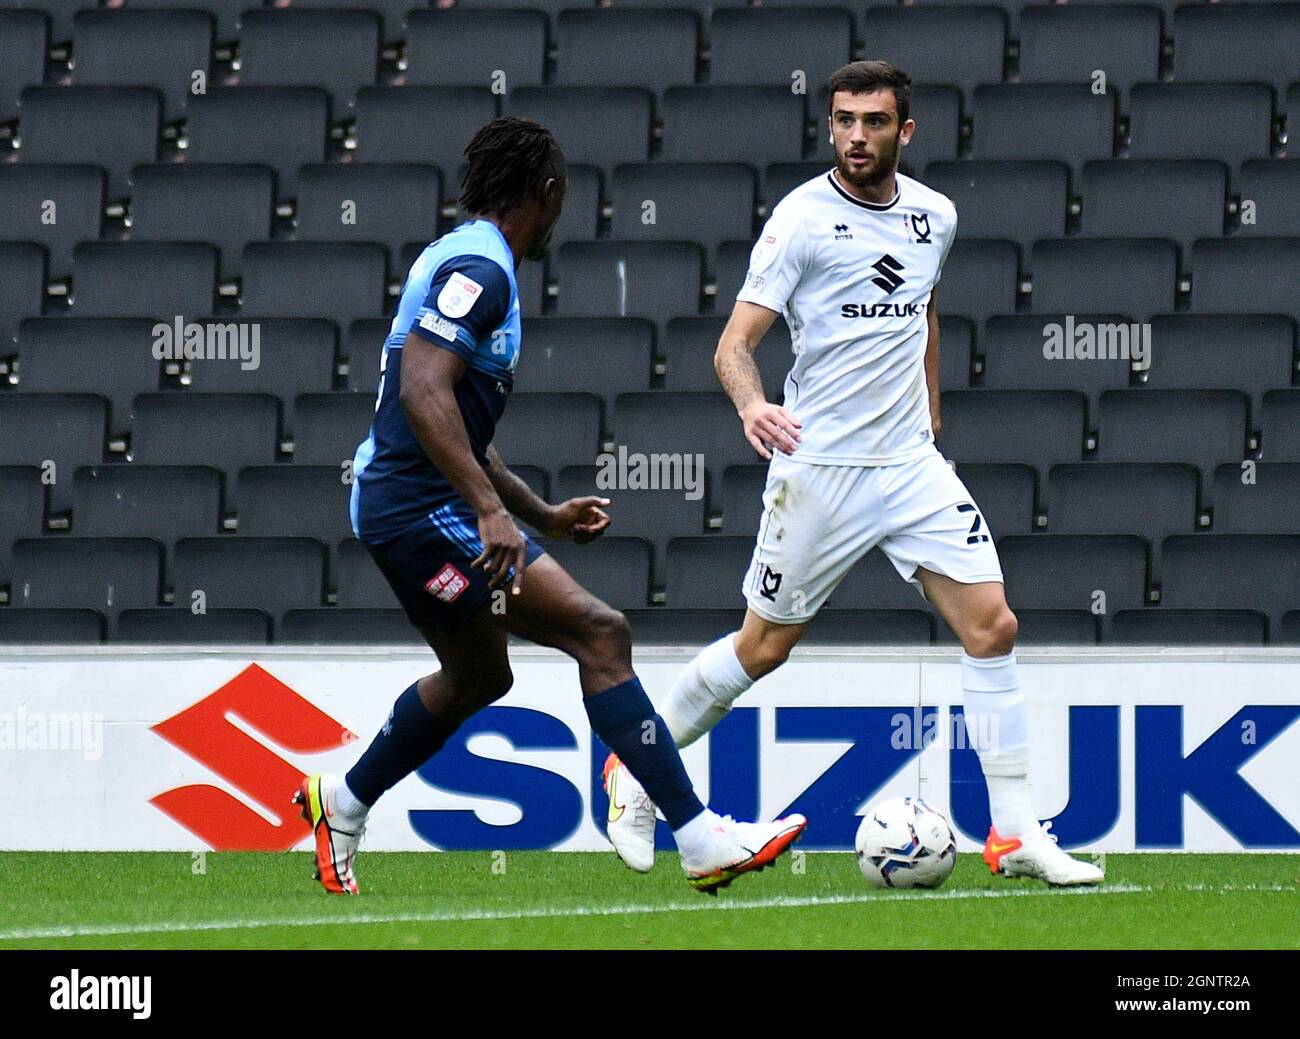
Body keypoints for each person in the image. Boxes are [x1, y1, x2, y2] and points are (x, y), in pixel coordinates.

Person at [601, 64, 1103, 887]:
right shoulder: (800, 220)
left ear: (906, 131)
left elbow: (925, 309)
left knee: (994, 627)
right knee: (764, 648)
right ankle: (635, 768)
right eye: (843, 121)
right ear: (829, 126)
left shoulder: (934, 216)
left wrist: (932, 412)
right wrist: (752, 406)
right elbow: (733, 346)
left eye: (874, 121)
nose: (856, 136)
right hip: (821, 469)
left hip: (909, 464)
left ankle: (1013, 834)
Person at [294, 117, 806, 894]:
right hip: (415, 507)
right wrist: (489, 514)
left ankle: (343, 800)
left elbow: (458, 425)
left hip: (416, 502)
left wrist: (538, 513)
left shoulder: (463, 257)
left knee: (477, 675)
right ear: (549, 192)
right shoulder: (483, 271)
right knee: (600, 632)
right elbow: (423, 393)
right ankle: (699, 838)